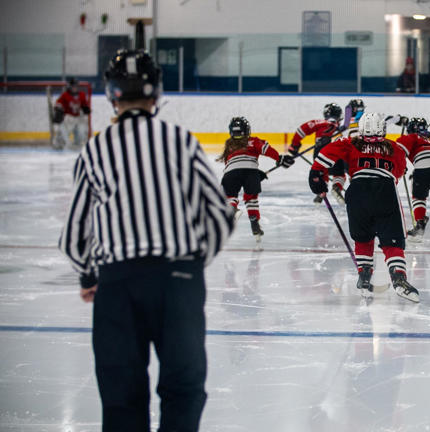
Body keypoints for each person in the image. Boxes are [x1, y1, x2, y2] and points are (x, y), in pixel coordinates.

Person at [58, 49, 234, 432]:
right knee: (183, 391)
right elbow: (220, 214)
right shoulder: (180, 142)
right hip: (179, 284)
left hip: (118, 286)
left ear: (112, 95)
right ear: (157, 94)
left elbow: (73, 237)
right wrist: (189, 265)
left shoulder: (95, 149)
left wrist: (89, 276)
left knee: (122, 399)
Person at [308, 112, 420, 303]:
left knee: (363, 237)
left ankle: (364, 277)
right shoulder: (394, 147)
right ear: (383, 130)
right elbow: (399, 171)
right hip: (385, 191)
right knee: (392, 240)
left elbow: (325, 154)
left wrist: (316, 175)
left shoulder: (349, 143)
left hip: (357, 191)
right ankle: (399, 278)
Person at [218, 116, 294, 239]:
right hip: (251, 172)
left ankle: (232, 210)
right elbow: (266, 149)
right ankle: (254, 221)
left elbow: (232, 164)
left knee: (230, 195)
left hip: (230, 173)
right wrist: (279, 158)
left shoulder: (229, 145)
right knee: (251, 197)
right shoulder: (254, 141)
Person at [289, 103, 346, 204]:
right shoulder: (342, 125)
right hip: (336, 149)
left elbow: (301, 130)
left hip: (320, 150)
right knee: (339, 173)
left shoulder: (319, 122)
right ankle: (337, 187)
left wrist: (294, 145)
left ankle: (320, 193)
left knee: (321, 172)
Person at [52, 77, 91, 149]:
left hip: (78, 118)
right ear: (70, 86)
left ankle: (77, 144)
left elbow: (84, 105)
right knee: (64, 133)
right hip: (68, 118)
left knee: (81, 132)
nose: (75, 88)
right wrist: (58, 110)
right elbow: (58, 104)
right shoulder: (65, 95)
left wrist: (85, 108)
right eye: (73, 86)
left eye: (76, 86)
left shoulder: (82, 95)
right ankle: (59, 142)